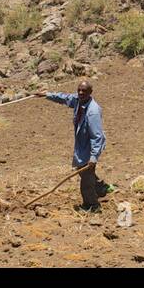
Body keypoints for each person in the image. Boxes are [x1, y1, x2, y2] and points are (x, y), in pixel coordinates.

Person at [35, 79, 108, 210]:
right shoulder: (79, 100)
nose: (80, 93)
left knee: (86, 176)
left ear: (90, 93)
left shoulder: (93, 112)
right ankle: (101, 188)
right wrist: (47, 94)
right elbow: (64, 98)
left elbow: (97, 137)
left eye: (84, 91)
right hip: (82, 141)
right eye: (79, 90)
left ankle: (92, 205)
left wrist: (93, 157)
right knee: (84, 170)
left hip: (90, 145)